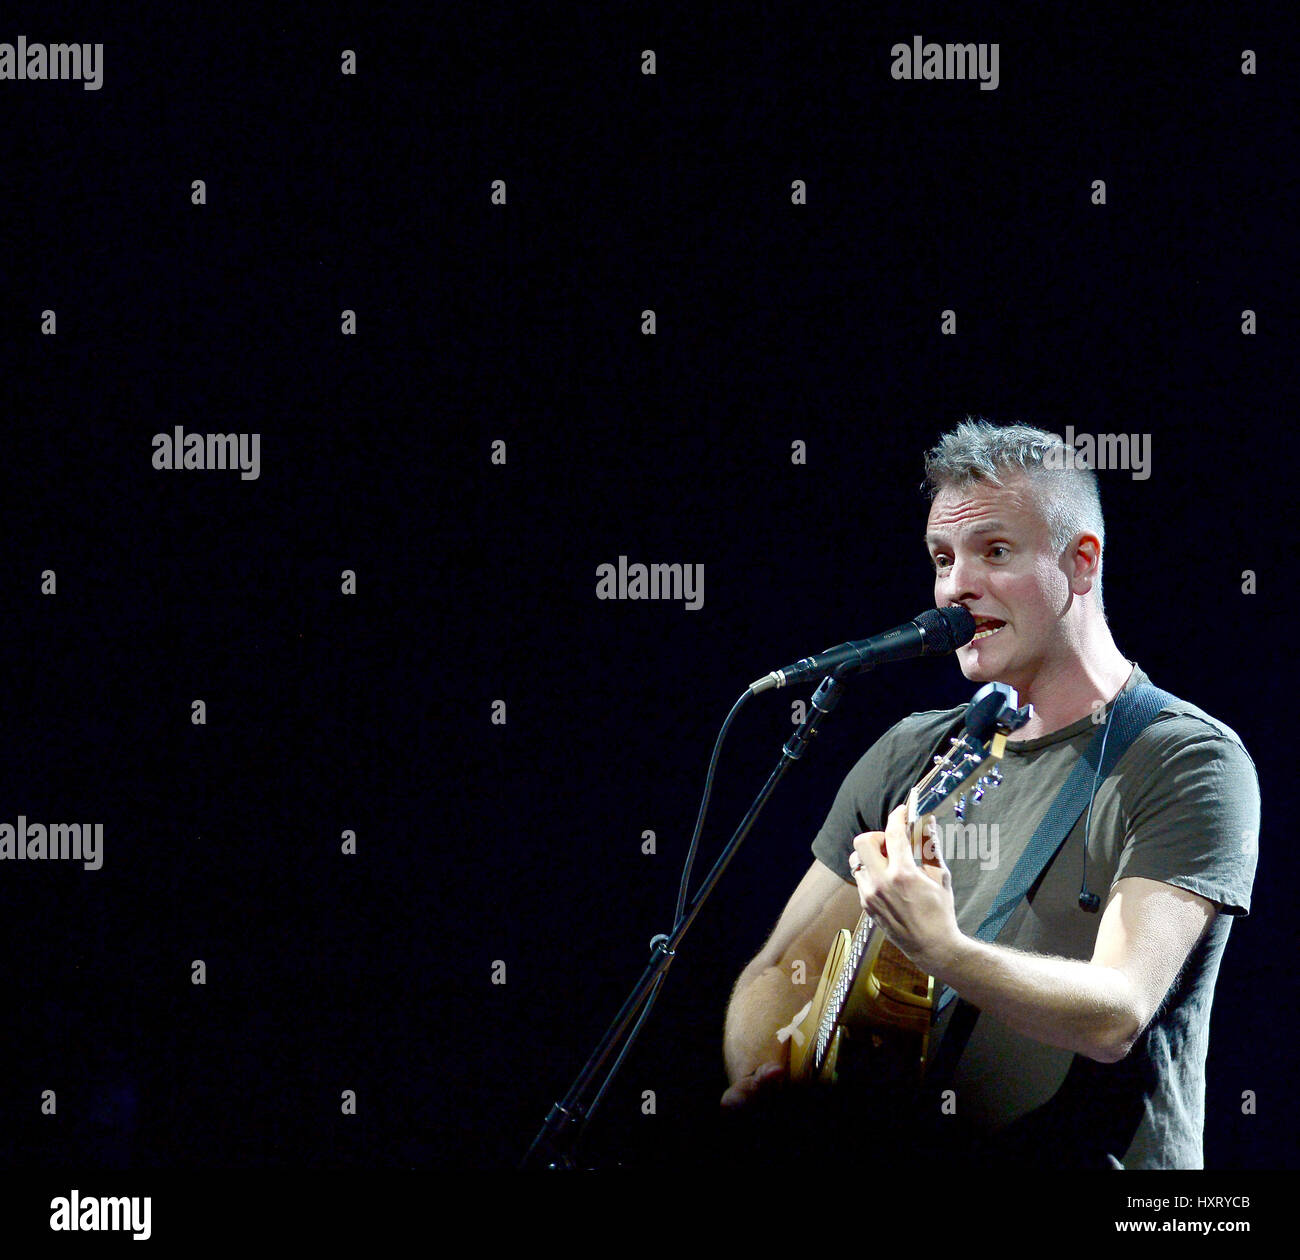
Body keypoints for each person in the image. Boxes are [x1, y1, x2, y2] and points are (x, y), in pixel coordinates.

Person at [720, 418, 1259, 1168]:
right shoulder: (914, 751)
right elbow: (777, 970)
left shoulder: (1186, 760)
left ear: (1081, 562)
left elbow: (1117, 1013)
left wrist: (940, 948)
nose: (955, 585)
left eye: (994, 551)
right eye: (943, 558)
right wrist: (777, 1076)